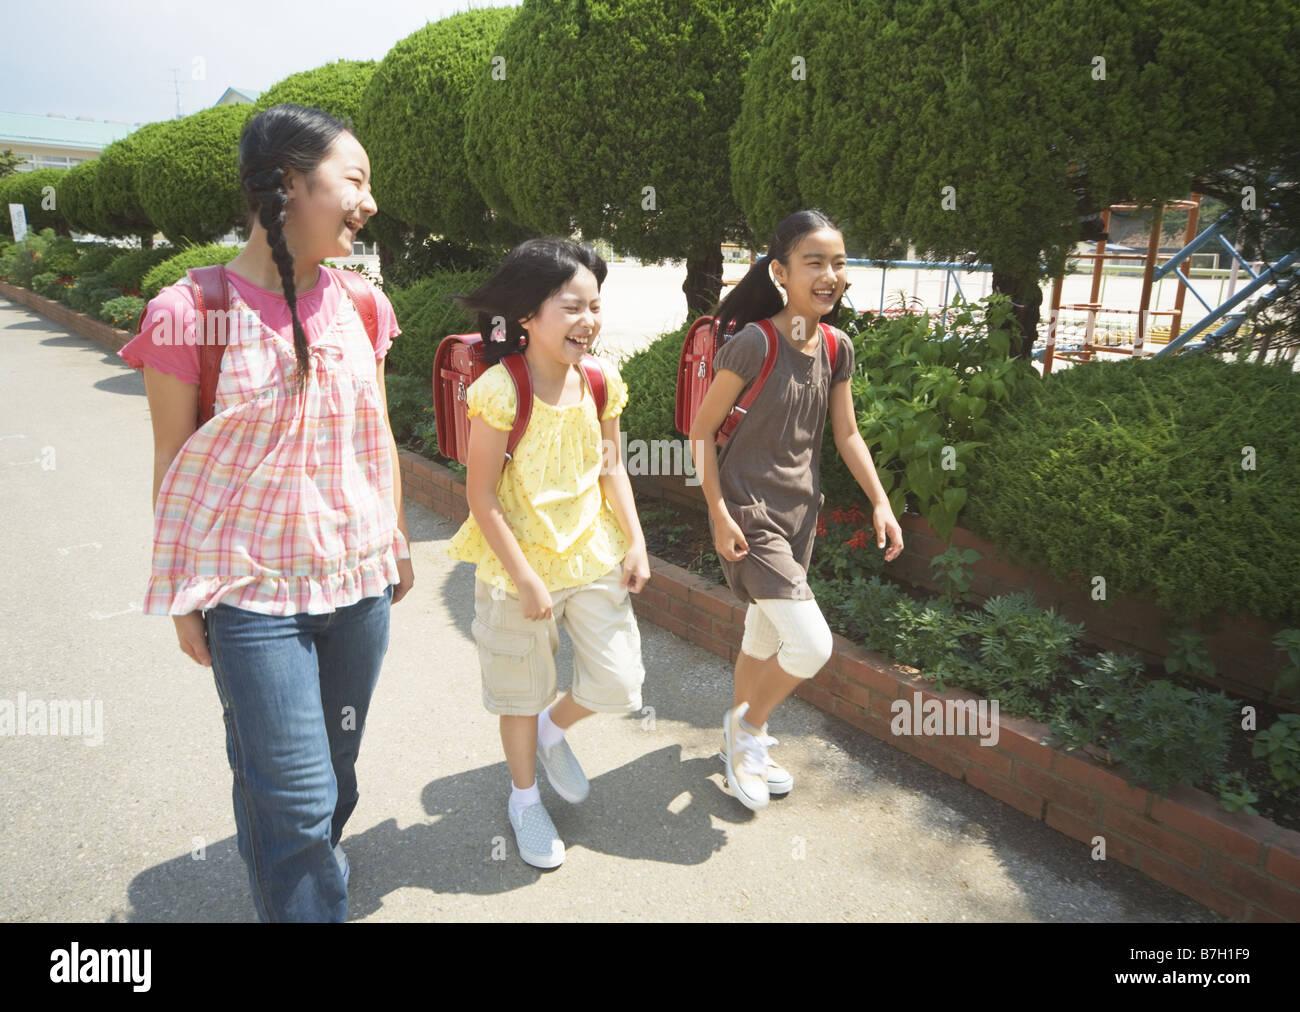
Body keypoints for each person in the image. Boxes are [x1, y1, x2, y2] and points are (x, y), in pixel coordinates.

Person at [118, 104, 414, 921]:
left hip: (358, 587)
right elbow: (175, 465)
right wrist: (183, 592)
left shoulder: (362, 305)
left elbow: (375, 432)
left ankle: (300, 862)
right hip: (251, 600)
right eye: (353, 179)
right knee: (298, 795)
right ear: (287, 183)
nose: (370, 201)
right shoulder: (190, 311)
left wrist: (396, 539)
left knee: (334, 780)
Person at [689, 209, 904, 812]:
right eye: (814, 262)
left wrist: (881, 503)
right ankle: (748, 730)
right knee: (811, 645)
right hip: (749, 512)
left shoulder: (837, 346)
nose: (829, 274)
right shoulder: (754, 342)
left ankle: (739, 745)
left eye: (838, 262)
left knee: (763, 633)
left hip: (799, 514)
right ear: (781, 271)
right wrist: (716, 511)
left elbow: (848, 436)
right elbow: (701, 432)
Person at [447, 238, 650, 869]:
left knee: (619, 681)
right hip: (518, 571)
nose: (588, 320)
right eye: (571, 306)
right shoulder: (499, 391)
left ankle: (554, 733)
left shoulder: (600, 380)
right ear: (528, 315)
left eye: (595, 305)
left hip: (591, 554)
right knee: (519, 695)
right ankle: (525, 798)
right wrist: (526, 578)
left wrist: (637, 541)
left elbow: (612, 467)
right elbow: (481, 497)